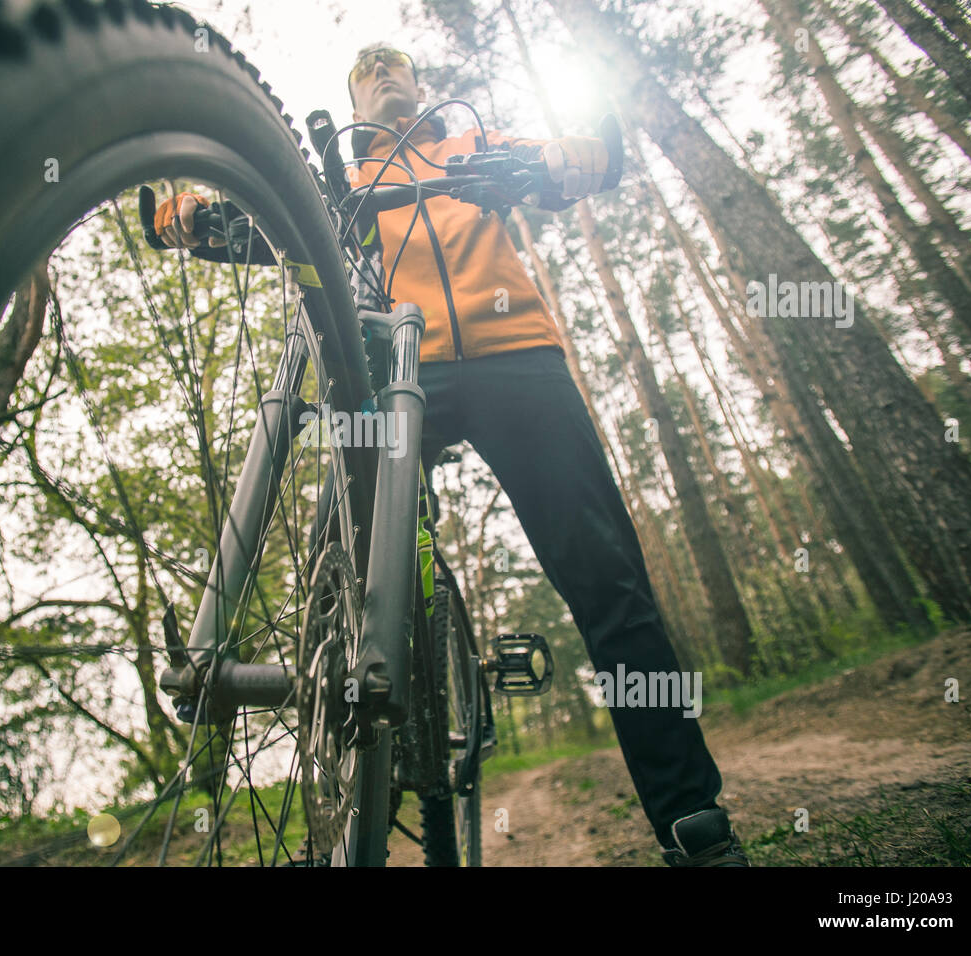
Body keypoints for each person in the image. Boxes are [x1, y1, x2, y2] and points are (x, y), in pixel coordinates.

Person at [154, 44, 747, 867]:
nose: (385, 74)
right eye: (367, 71)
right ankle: (353, 775)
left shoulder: (475, 149)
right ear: (354, 101)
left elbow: (559, 166)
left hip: (515, 358)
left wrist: (586, 154)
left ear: (419, 88)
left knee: (605, 574)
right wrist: (193, 219)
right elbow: (269, 224)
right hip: (396, 367)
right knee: (345, 571)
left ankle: (693, 820)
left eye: (396, 66)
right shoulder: (340, 183)